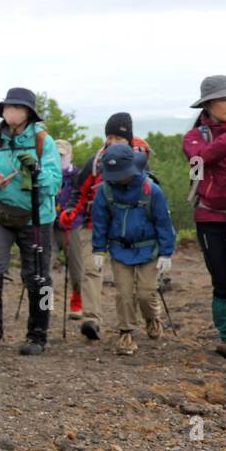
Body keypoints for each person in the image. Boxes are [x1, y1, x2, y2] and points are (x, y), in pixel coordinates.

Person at [0, 87, 62, 355]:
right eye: (7, 107)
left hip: (37, 217)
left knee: (38, 277)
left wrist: (34, 173)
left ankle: (38, 334)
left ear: (28, 114)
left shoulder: (44, 142)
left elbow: (54, 182)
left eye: (16, 107)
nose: (10, 111)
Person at [59, 112, 150, 341]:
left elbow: (149, 191)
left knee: (130, 276)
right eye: (109, 137)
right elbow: (80, 192)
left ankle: (140, 319)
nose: (112, 142)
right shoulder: (95, 163)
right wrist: (71, 211)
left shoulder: (140, 161)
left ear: (128, 138)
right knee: (91, 269)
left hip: (127, 226)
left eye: (118, 138)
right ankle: (92, 319)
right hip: (93, 224)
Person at [183, 75, 226, 360]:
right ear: (208, 105)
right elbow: (199, 160)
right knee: (222, 281)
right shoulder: (195, 136)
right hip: (211, 216)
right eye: (224, 99)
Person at [92, 143, 176, 355]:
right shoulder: (105, 191)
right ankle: (126, 333)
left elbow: (163, 222)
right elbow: (100, 221)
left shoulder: (151, 190)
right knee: (124, 294)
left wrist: (167, 252)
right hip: (120, 250)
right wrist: (98, 250)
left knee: (147, 293)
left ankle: (152, 317)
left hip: (149, 250)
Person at [53, 139, 85, 319]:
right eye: (55, 155)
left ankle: (77, 303)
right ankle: (45, 305)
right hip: (49, 227)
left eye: (62, 155)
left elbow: (81, 199)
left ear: (69, 155)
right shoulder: (47, 175)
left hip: (71, 227)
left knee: (77, 271)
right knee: (44, 270)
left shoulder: (78, 176)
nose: (58, 158)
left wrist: (72, 214)